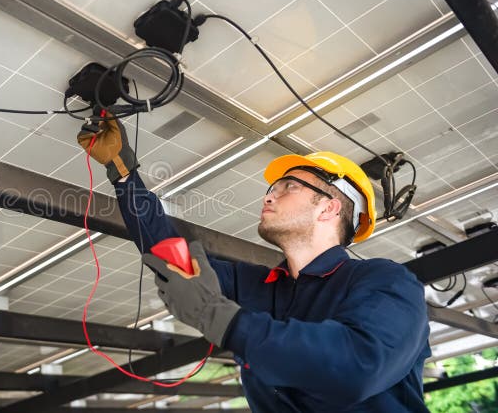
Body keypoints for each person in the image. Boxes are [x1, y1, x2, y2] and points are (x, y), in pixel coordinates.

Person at [78, 113, 431, 412]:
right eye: (273, 187)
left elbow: (358, 366)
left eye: (289, 186)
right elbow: (172, 253)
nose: (269, 194)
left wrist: (226, 321)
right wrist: (123, 172)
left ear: (329, 208)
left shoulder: (386, 282)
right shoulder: (255, 287)